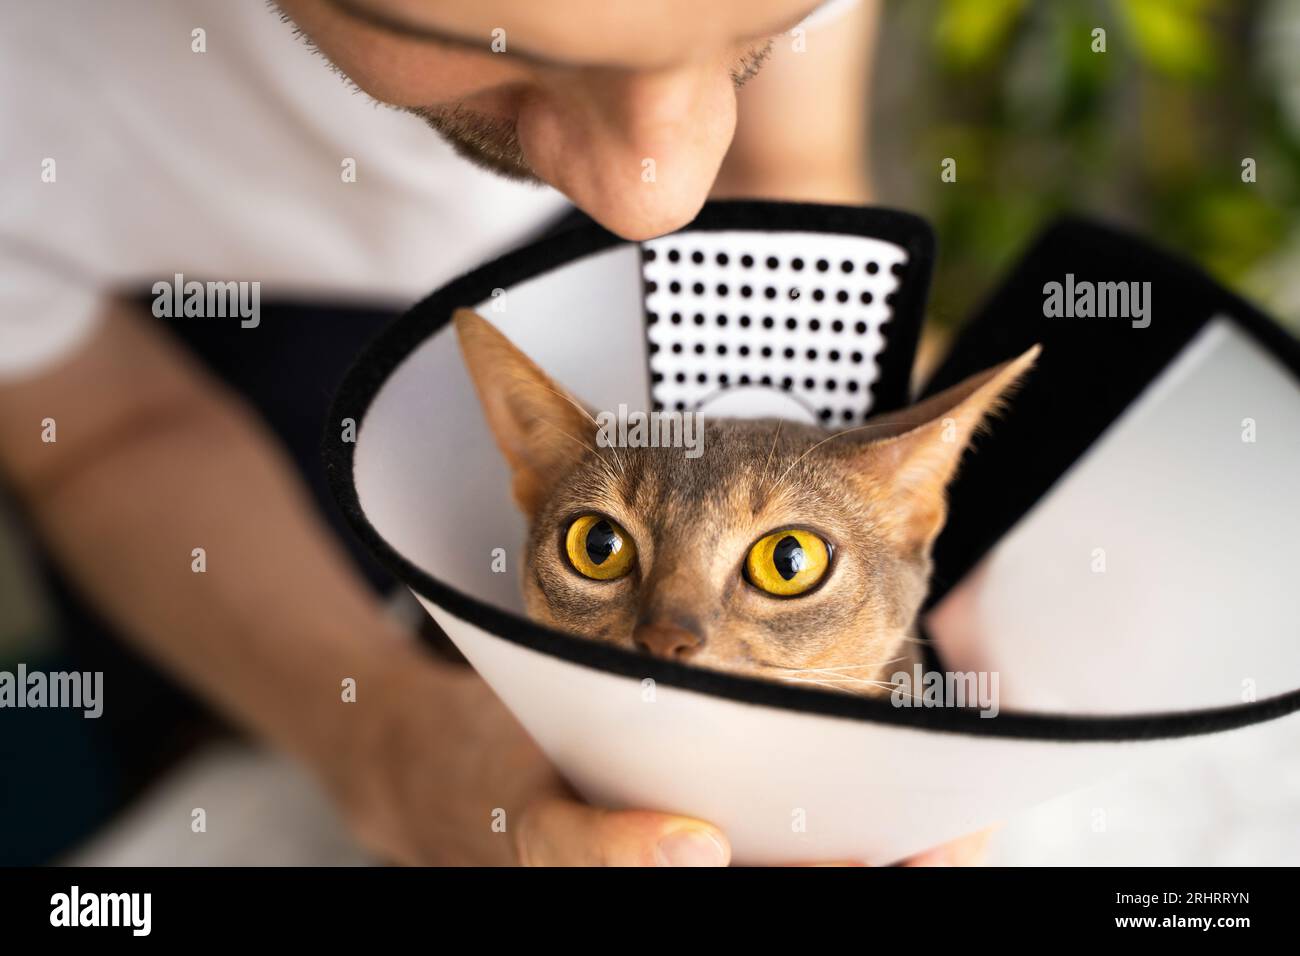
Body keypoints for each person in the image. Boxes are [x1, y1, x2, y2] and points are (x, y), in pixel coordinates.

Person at [0, 0, 980, 865]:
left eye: (751, 33)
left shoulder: (661, 167)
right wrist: (384, 746)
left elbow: (779, 173)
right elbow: (103, 434)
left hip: (605, 367)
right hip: (205, 364)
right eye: (494, 44)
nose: (656, 195)